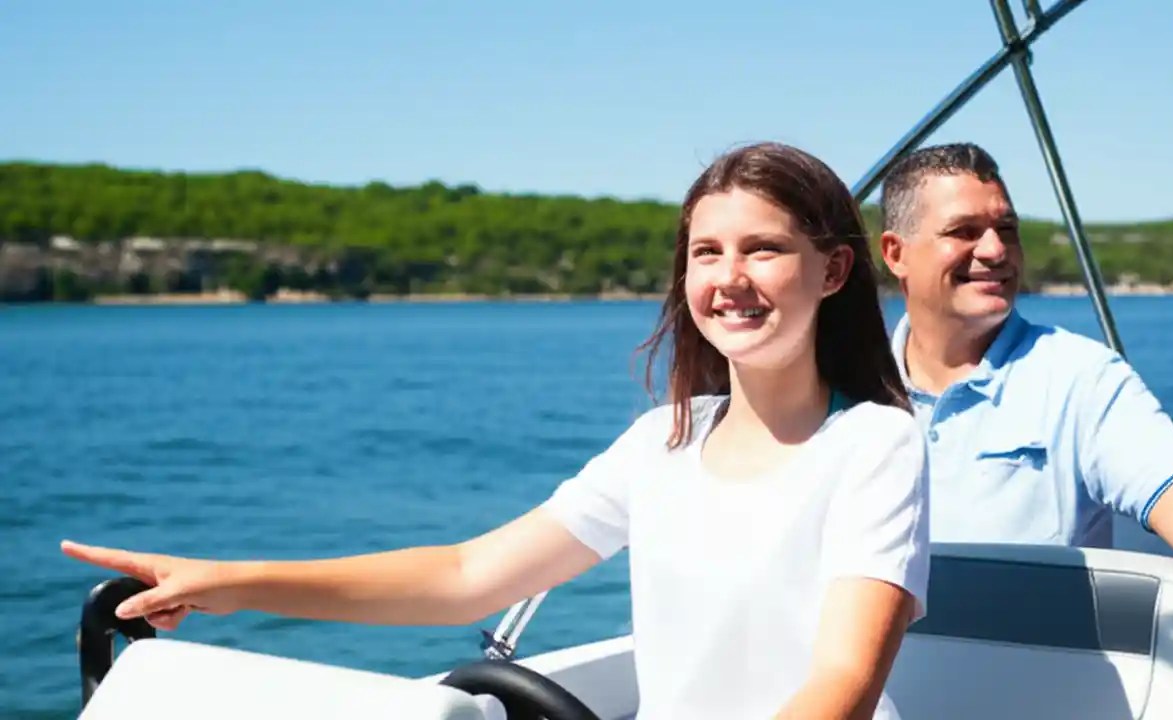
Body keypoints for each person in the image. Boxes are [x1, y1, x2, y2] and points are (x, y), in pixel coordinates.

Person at [63, 142, 929, 720]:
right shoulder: (661, 446)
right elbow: (468, 574)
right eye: (707, 253)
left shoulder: (875, 445)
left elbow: (842, 687)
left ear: (833, 269)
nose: (730, 278)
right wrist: (233, 583)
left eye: (763, 249)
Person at [877, 141, 1173, 624]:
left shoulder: (1080, 379)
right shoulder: (849, 387)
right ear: (895, 254)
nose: (996, 250)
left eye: (1007, 230)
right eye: (964, 231)